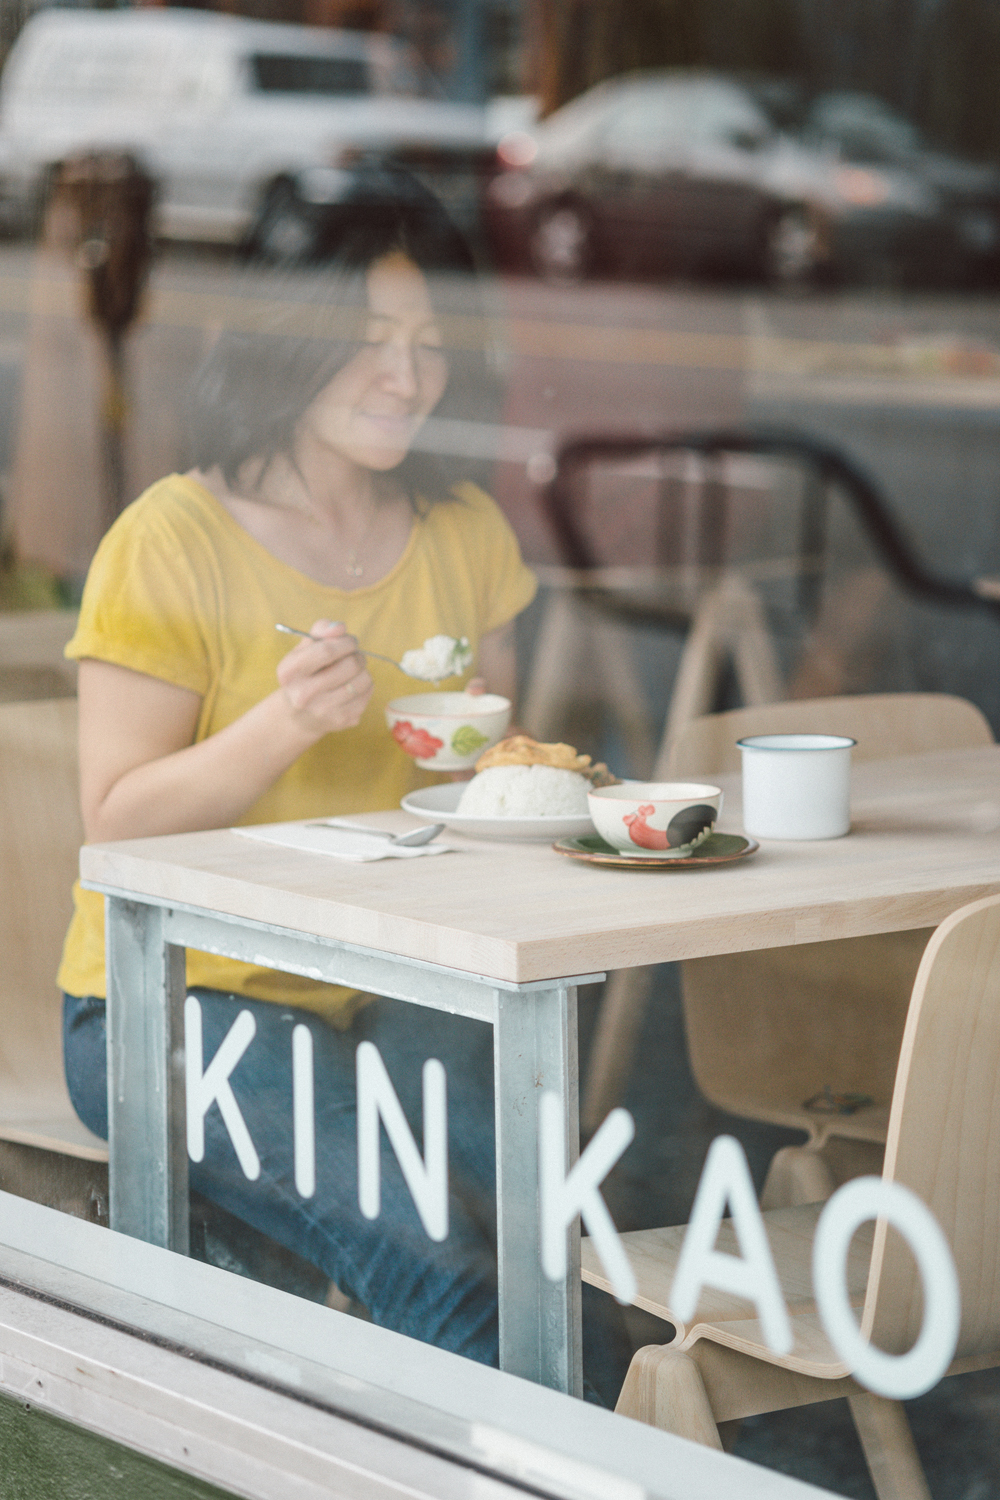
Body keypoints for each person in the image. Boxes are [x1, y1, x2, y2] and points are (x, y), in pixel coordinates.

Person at [57, 189, 630, 1399]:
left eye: (429, 344)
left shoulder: (461, 531)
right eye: (370, 339)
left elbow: (480, 778)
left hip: (402, 972)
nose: (406, 377)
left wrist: (518, 783)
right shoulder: (171, 539)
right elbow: (115, 821)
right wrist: (283, 724)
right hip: (180, 997)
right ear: (292, 338)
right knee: (448, 1266)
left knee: (551, 1249)